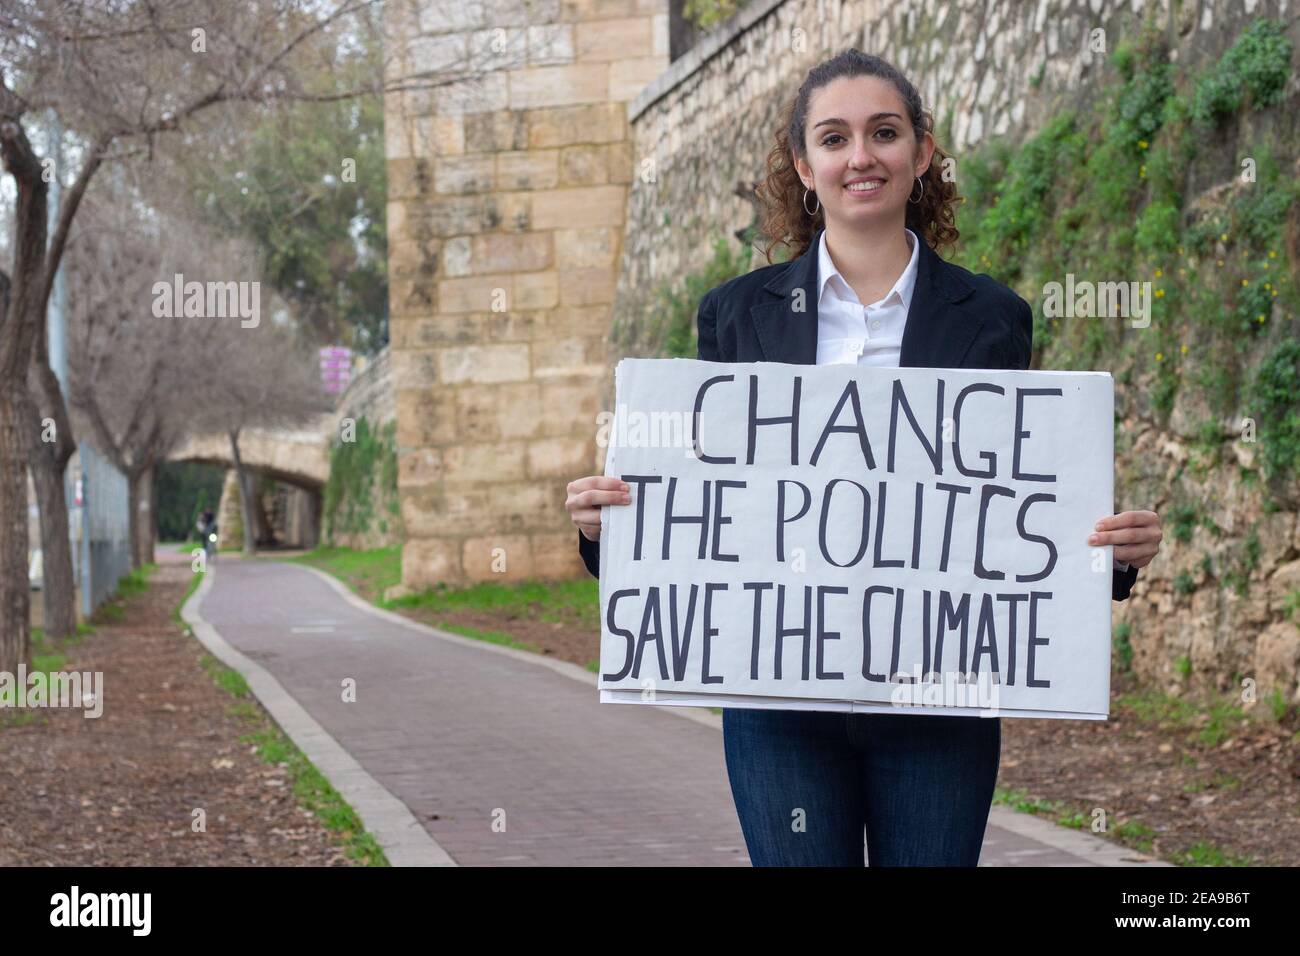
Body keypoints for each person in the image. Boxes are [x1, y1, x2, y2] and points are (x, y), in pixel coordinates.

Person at [565, 49, 1164, 866]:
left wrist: (1115, 555)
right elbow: (705, 515)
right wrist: (608, 531)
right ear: (804, 166)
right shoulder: (737, 317)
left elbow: (1006, 508)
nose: (861, 157)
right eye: (835, 138)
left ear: (921, 153)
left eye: (884, 133)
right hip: (777, 706)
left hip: (938, 701)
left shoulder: (991, 317)